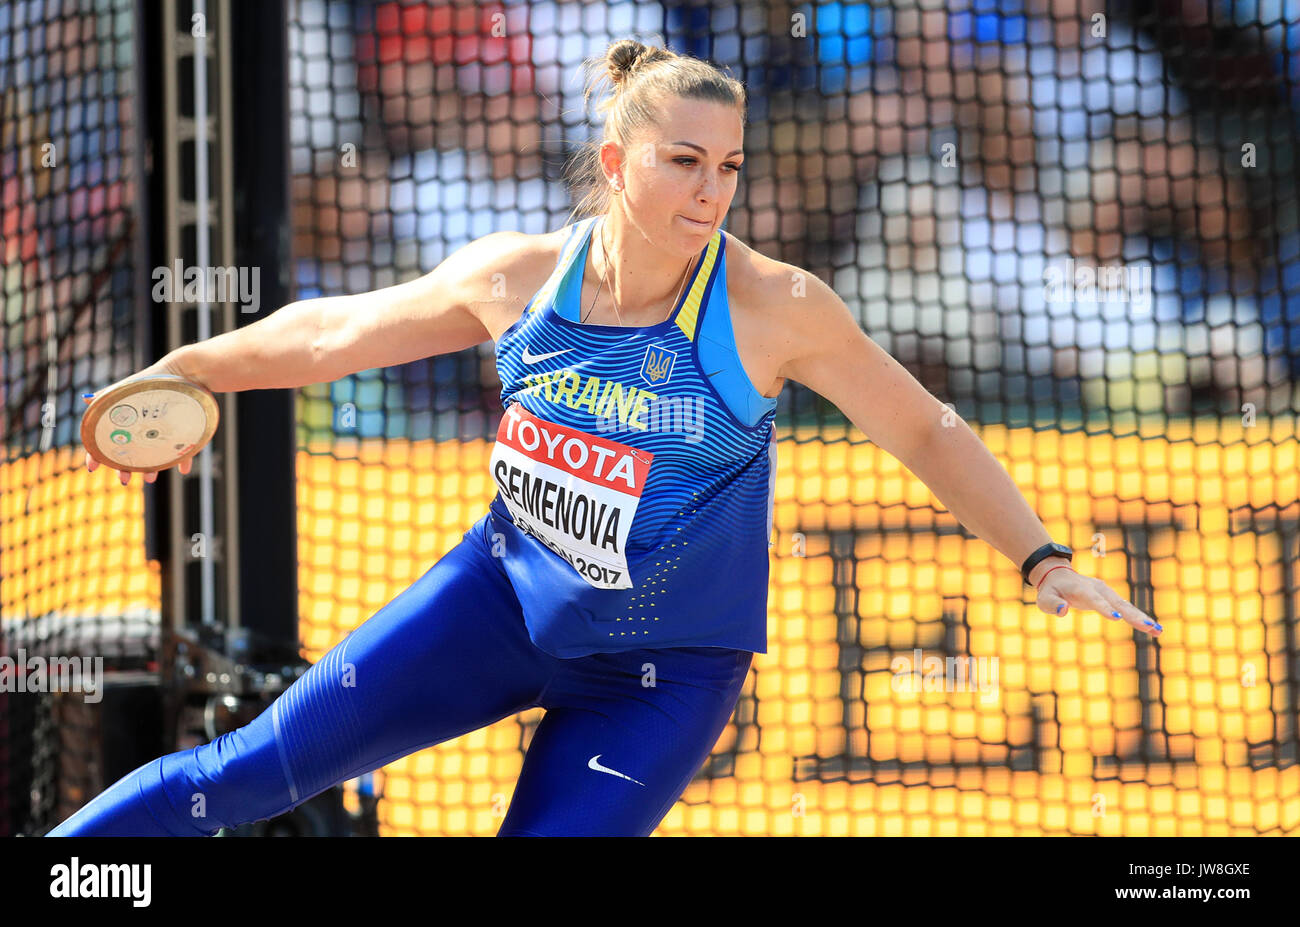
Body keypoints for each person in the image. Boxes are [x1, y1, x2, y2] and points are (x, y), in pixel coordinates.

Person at [49, 38, 1163, 838]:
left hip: (660, 678)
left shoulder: (776, 306)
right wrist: (190, 368)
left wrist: (1041, 557)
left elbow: (926, 428)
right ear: (618, 159)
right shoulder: (520, 278)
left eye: (728, 166)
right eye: (685, 160)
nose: (711, 189)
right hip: (493, 604)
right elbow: (335, 332)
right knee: (238, 779)